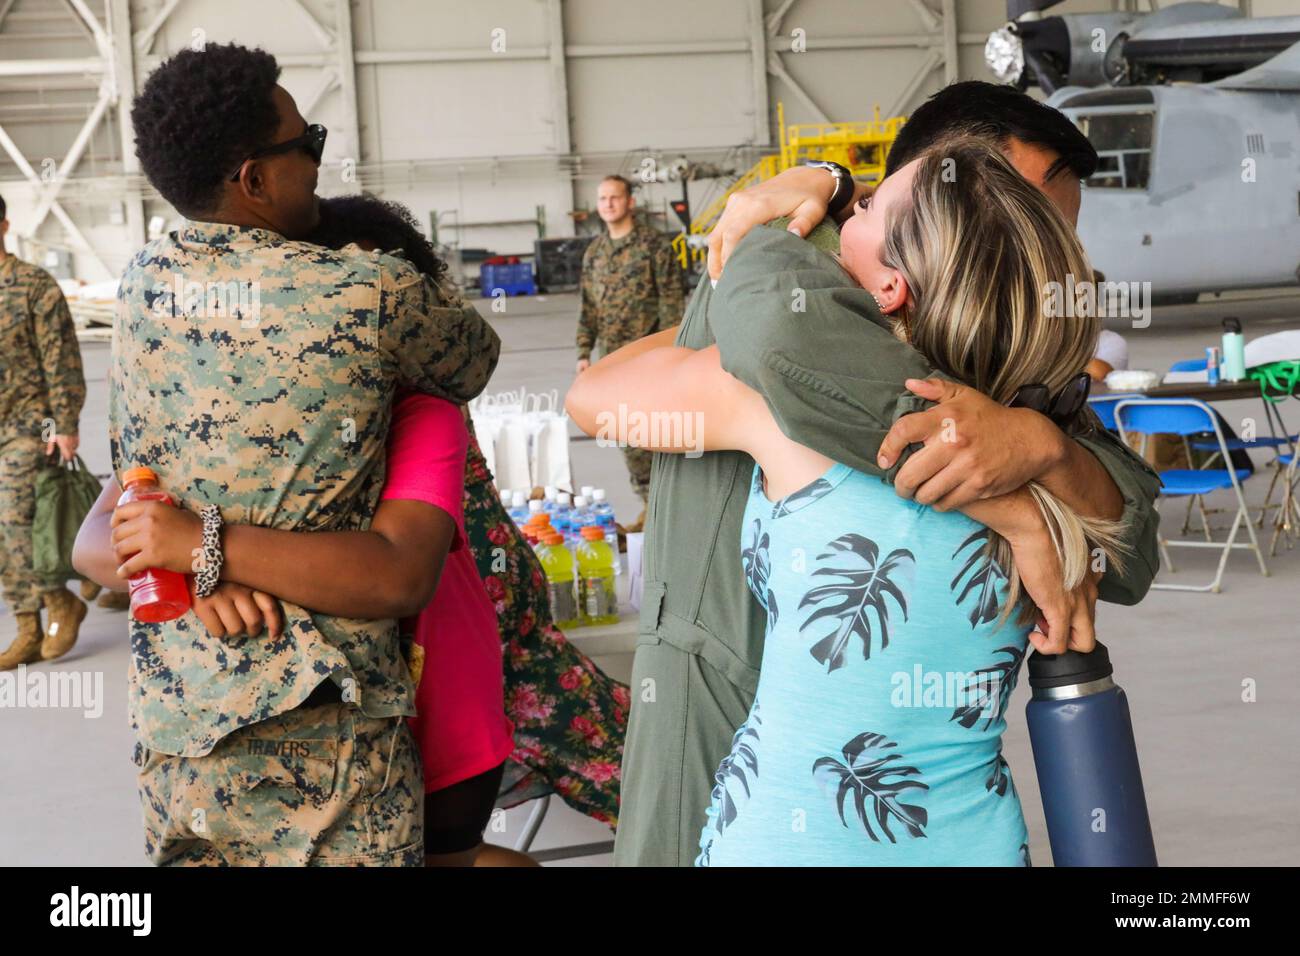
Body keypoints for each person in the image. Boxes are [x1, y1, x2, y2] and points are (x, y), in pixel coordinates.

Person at [605, 80, 1163, 866]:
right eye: (1021, 213)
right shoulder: (792, 306)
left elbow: (1133, 547)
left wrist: (1042, 446)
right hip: (709, 705)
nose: (1045, 258)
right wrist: (1020, 496)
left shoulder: (1026, 411)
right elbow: (735, 347)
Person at [74, 43, 499, 866]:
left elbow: (127, 504)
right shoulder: (369, 290)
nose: (317, 162)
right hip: (327, 755)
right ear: (255, 181)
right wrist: (208, 553)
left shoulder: (139, 288)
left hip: (179, 747)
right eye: (307, 145)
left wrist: (200, 567)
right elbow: (471, 361)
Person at [307, 196, 627, 830]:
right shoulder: (413, 365)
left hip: (480, 635)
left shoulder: (411, 391)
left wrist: (206, 547)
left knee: (656, 787)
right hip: (484, 628)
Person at [0, 192, 89, 670]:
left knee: (14, 520)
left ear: (4, 225)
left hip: (29, 424)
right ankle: (60, 599)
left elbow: (62, 359)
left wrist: (65, 423)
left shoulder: (34, 286)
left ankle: (49, 610)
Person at [576, 175, 685, 516]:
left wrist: (672, 352)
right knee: (624, 434)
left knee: (659, 435)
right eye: (602, 198)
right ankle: (649, 506)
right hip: (612, 363)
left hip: (649, 361)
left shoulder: (654, 246)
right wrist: (583, 351)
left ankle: (664, 510)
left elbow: (672, 301)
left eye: (614, 197)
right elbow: (588, 307)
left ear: (630, 202)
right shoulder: (594, 253)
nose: (607, 203)